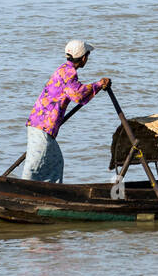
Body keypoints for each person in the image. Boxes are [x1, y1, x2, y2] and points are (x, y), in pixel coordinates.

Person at [23, 39, 109, 183]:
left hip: (40, 123)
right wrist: (99, 84)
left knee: (55, 162)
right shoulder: (69, 73)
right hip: (42, 125)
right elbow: (78, 94)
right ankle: (24, 192)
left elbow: (74, 92)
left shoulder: (64, 68)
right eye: (87, 55)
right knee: (34, 165)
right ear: (83, 58)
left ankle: (50, 194)